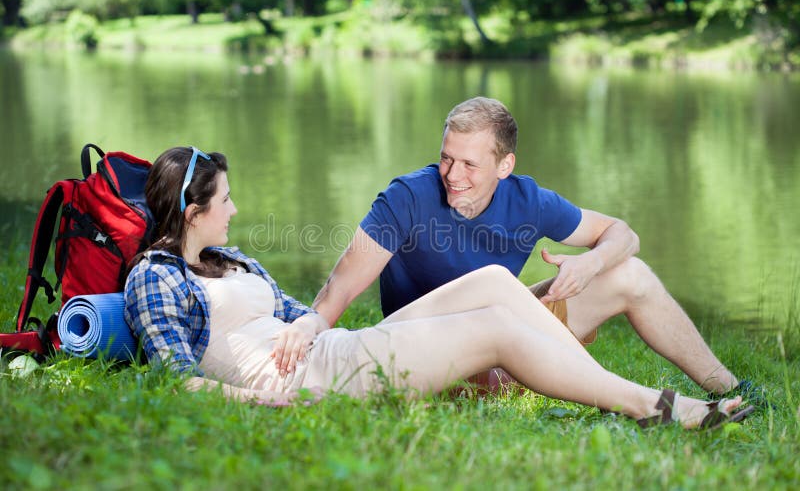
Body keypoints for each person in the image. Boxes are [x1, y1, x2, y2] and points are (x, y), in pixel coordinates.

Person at [123, 146, 753, 431]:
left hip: (340, 350)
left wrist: (309, 321)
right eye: (225, 200)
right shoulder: (155, 277)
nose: (234, 210)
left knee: (494, 282)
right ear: (194, 211)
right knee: (496, 327)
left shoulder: (231, 259)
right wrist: (267, 401)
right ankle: (655, 406)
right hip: (316, 379)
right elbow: (176, 378)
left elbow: (299, 315)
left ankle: (608, 386)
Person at [282, 96, 754, 402]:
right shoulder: (407, 197)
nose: (452, 175)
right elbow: (339, 289)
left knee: (632, 273)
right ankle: (628, 397)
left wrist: (591, 262)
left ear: (504, 165)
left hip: (510, 348)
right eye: (446, 158)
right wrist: (311, 323)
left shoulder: (528, 200)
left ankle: (734, 390)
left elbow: (622, 233)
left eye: (469, 164)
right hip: (432, 364)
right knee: (497, 285)